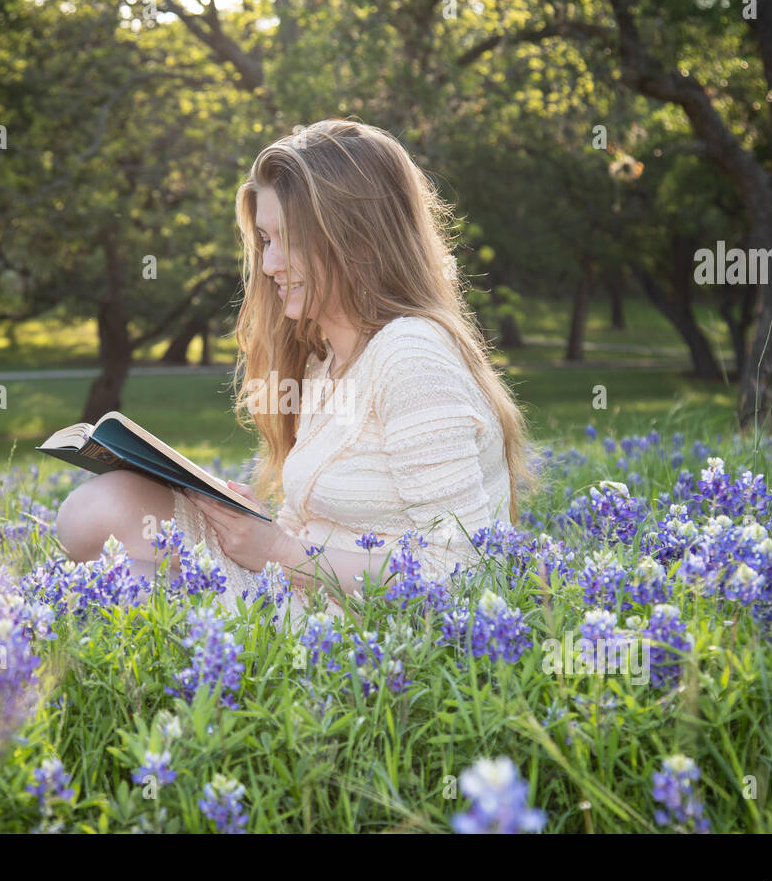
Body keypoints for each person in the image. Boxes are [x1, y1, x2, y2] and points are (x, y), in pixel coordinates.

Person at [56, 118, 538, 630]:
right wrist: (247, 523)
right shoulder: (327, 362)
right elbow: (311, 525)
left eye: (288, 240)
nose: (268, 264)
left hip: (364, 627)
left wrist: (277, 550)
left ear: (360, 241)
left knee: (111, 582)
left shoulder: (411, 356)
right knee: (96, 510)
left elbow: (465, 572)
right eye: (264, 239)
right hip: (300, 584)